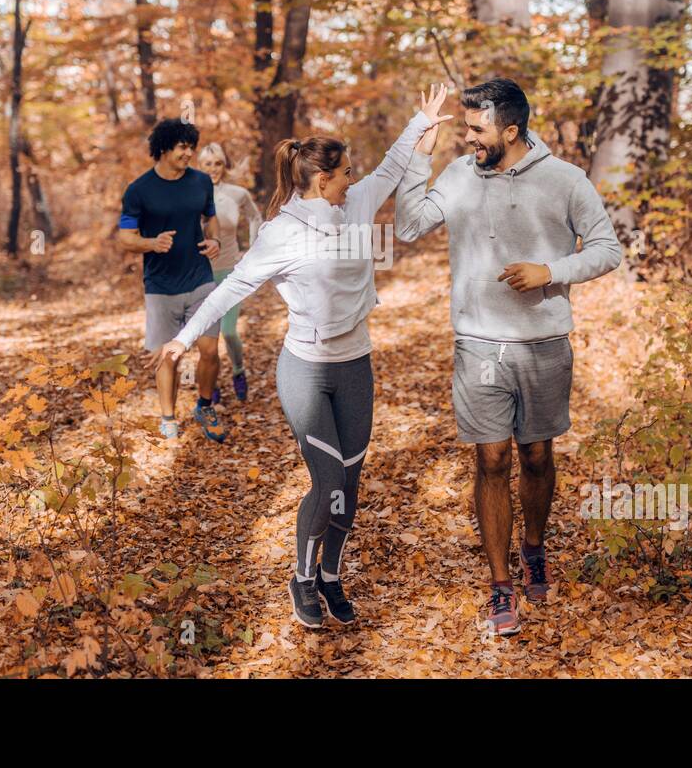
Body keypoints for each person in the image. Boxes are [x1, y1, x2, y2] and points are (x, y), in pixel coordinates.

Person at [156, 86, 454, 628]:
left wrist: (422, 120)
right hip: (306, 369)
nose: (351, 179)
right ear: (323, 179)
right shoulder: (281, 233)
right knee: (329, 481)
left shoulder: (355, 203)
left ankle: (332, 575)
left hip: (355, 364)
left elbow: (392, 164)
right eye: (344, 173)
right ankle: (301, 577)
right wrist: (185, 335)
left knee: (352, 482)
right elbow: (231, 289)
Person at [394, 78, 622, 636]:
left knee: (537, 457)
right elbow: (406, 225)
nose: (466, 137)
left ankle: (534, 547)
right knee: (491, 460)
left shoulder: (565, 180)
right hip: (478, 343)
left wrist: (552, 271)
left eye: (477, 128)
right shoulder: (458, 177)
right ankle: (501, 585)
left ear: (511, 130)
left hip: (543, 343)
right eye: (465, 126)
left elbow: (607, 249)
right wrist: (415, 161)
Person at [117, 118, 228, 443]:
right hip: (161, 286)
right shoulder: (138, 190)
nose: (189, 153)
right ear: (164, 148)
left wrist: (215, 240)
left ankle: (205, 406)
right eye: (182, 146)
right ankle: (168, 418)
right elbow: (125, 237)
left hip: (200, 279)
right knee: (167, 355)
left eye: (191, 146)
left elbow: (211, 217)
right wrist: (152, 243)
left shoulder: (201, 182)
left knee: (209, 349)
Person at [197, 143, 263, 402]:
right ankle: (209, 385)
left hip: (228, 272)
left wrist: (253, 251)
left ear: (224, 166)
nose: (213, 169)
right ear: (200, 167)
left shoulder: (237, 194)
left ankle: (238, 371)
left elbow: (256, 218)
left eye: (218, 163)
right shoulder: (190, 194)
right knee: (206, 338)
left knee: (229, 332)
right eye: (208, 164)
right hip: (199, 275)